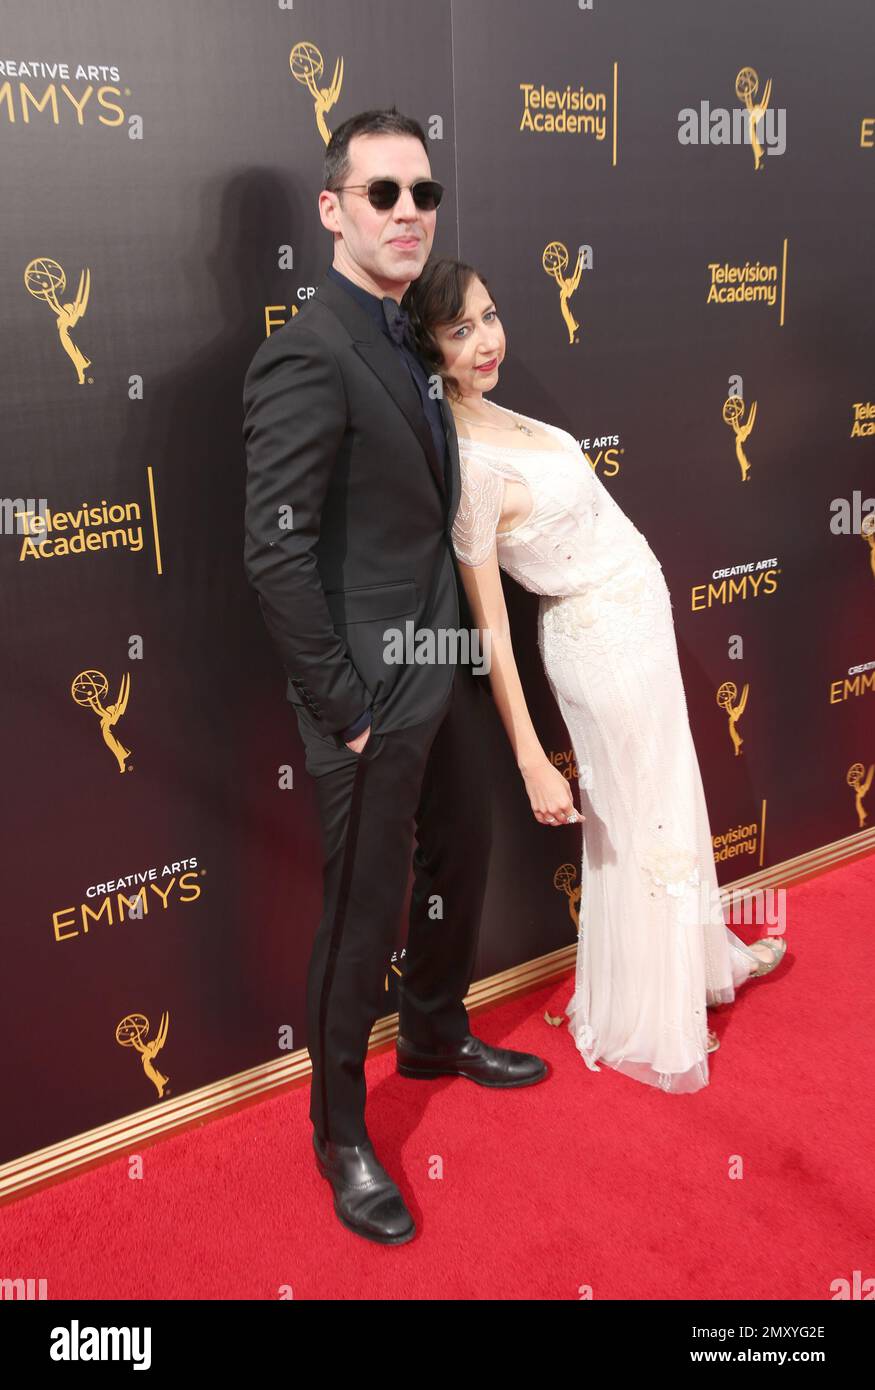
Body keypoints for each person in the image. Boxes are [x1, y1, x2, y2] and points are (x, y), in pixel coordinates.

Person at [242, 112, 547, 1247]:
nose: (408, 210)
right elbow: (274, 550)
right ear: (332, 210)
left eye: (421, 190)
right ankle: (340, 1132)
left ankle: (431, 1033)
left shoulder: (407, 333)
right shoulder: (308, 347)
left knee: (459, 865)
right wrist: (346, 710)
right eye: (381, 194)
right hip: (369, 698)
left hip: (445, 667)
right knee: (363, 917)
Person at [404, 257, 788, 1095]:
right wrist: (532, 755)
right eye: (460, 330)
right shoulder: (469, 467)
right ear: (428, 349)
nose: (486, 340)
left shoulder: (492, 410)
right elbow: (490, 625)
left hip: (637, 625)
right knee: (635, 821)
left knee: (664, 804)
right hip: (596, 645)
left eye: (489, 316)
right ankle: (646, 1018)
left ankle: (692, 966)